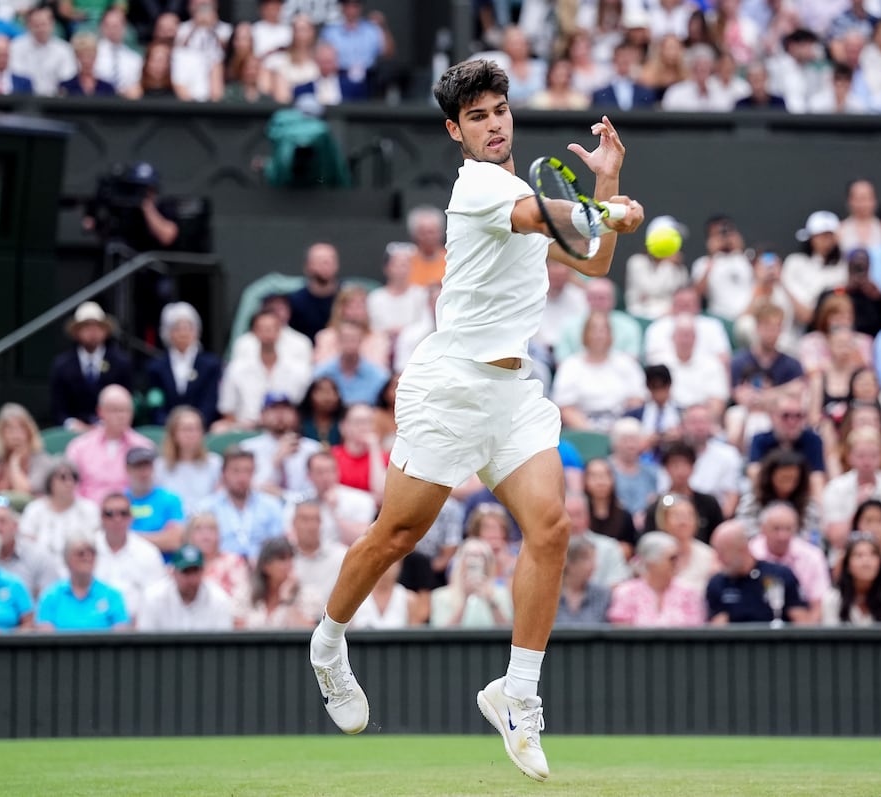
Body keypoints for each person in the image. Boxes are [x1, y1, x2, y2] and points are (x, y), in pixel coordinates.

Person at [306, 59, 644, 782]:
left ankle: (517, 693)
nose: (494, 125)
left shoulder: (522, 188)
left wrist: (607, 185)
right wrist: (602, 209)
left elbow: (593, 261)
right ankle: (329, 642)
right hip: (450, 387)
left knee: (551, 527)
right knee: (397, 533)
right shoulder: (479, 188)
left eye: (501, 111)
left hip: (514, 391)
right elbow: (545, 218)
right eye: (479, 117)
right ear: (456, 130)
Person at [49, 302, 135, 431]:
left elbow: (129, 401)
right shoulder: (62, 365)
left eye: (97, 327)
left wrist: (106, 422)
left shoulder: (121, 363)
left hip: (111, 431)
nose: (92, 332)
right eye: (86, 327)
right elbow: (57, 409)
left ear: (106, 331)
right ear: (76, 332)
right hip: (71, 434)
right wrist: (72, 424)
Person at [65, 386, 154, 505]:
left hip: (132, 515)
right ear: (100, 412)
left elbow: (152, 490)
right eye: (115, 410)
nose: (121, 416)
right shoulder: (79, 447)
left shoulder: (145, 447)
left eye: (126, 410)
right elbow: (69, 487)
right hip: (88, 515)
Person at [706, 519, 807, 625]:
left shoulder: (780, 575)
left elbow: (802, 621)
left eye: (722, 553)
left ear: (742, 549)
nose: (718, 559)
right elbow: (719, 629)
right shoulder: (717, 583)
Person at [195, 448, 285, 561]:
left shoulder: (271, 505)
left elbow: (277, 544)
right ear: (224, 473)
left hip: (262, 569)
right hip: (220, 567)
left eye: (247, 471)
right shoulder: (206, 507)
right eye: (236, 471)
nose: (242, 477)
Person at [144, 302, 223, 427]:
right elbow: (155, 402)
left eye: (188, 328)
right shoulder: (156, 367)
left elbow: (211, 401)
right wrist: (170, 427)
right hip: (166, 431)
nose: (183, 333)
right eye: (177, 328)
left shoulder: (211, 365)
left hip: (202, 430)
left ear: (197, 331)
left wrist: (194, 426)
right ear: (168, 332)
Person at [94, 492, 168, 622]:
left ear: (131, 517)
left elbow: (158, 597)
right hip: (94, 627)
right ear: (101, 518)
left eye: (123, 513)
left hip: (137, 630)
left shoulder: (148, 552)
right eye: (110, 514)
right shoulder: (87, 550)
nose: (117, 519)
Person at [749, 502, 829, 623]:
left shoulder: (813, 556)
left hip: (801, 627)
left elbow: (819, 605)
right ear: (763, 529)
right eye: (776, 529)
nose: (783, 536)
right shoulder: (751, 554)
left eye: (788, 529)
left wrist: (808, 636)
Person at [36, 530, 131, 631]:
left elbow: (121, 635)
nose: (87, 557)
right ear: (67, 559)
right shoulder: (51, 596)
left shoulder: (112, 595)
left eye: (92, 553)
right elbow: (45, 636)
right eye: (80, 553)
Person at [607, 531, 705, 628]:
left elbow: (695, 631)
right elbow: (621, 631)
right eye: (672, 558)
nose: (677, 563)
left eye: (677, 557)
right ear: (652, 562)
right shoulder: (626, 593)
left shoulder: (689, 592)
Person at [137, 544, 235, 631]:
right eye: (186, 572)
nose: (191, 579)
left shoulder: (218, 599)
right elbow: (145, 645)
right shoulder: (153, 599)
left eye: (195, 571)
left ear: (203, 571)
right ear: (173, 572)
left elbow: (222, 647)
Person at [18, 459, 99, 562]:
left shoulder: (89, 509)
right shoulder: (34, 510)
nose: (69, 482)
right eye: (63, 477)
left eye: (74, 477)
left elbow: (95, 545)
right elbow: (26, 546)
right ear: (50, 481)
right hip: (41, 568)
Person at [820, 534, 881, 627]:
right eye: (859, 555)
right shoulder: (833, 599)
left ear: (880, 563)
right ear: (847, 565)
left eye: (873, 555)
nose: (866, 561)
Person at [238, 536, 323, 629]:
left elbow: (308, 633)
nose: (289, 564)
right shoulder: (245, 594)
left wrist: (288, 600)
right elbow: (237, 632)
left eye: (291, 558)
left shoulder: (308, 596)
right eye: (282, 559)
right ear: (266, 565)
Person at [153, 407, 223, 516]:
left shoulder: (215, 463)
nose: (191, 434)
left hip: (205, 523)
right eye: (186, 429)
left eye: (196, 429)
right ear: (174, 434)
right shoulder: (159, 466)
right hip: (172, 524)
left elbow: (220, 500)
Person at [0, 402, 53, 501]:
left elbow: (24, 494)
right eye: (10, 429)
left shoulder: (43, 461)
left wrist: (14, 463)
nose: (16, 435)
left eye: (21, 429)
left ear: (29, 432)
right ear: (1, 434)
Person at [555, 536, 611, 626]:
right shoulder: (548, 595)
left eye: (593, 559)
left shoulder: (602, 593)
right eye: (586, 559)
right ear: (568, 562)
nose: (593, 565)